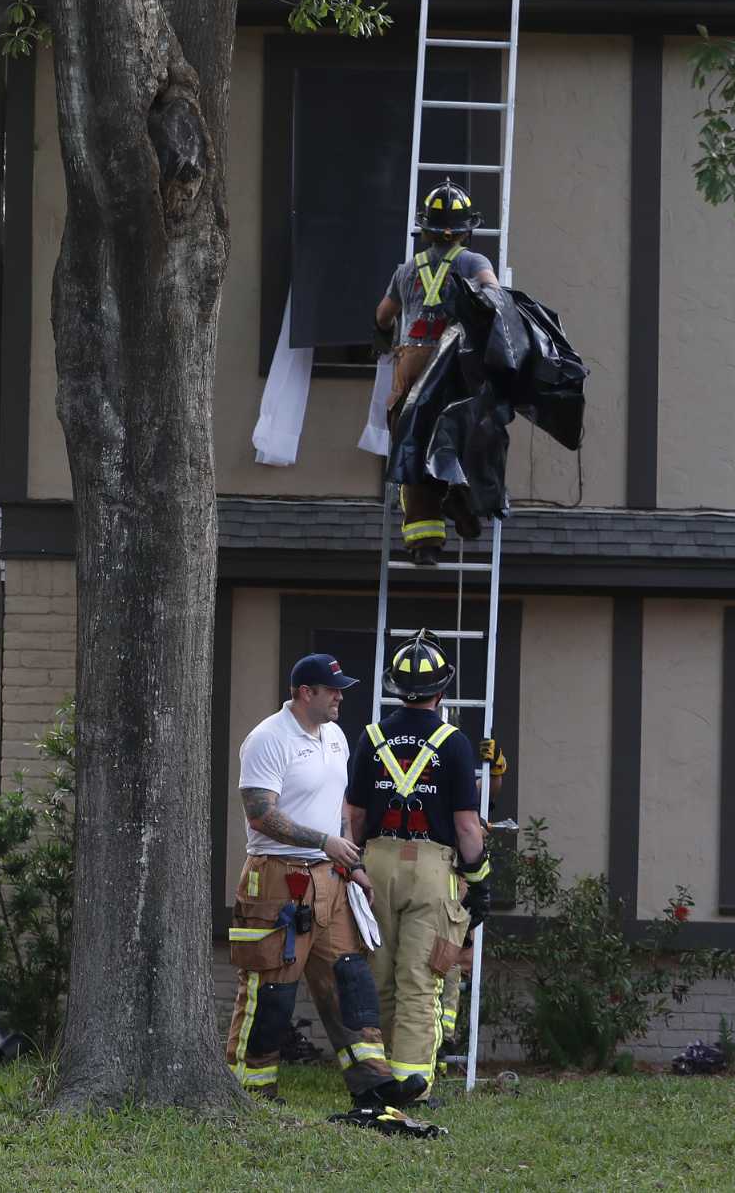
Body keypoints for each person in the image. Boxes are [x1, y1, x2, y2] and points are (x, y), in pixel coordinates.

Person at [225, 653, 427, 1110]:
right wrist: (323, 842)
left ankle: (374, 1085)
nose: (340, 697)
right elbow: (261, 814)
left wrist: (352, 864)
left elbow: (338, 809)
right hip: (278, 878)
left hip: (330, 879)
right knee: (270, 989)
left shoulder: (335, 736)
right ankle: (251, 1090)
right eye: (332, 690)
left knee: (351, 981)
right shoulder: (267, 739)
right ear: (304, 693)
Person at [345, 631, 492, 1098]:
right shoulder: (454, 743)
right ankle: (414, 1083)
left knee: (381, 976)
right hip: (431, 869)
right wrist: (480, 881)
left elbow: (355, 815)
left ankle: (386, 1075)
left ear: (394, 686)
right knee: (420, 978)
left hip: (376, 863)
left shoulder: (371, 737)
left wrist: (356, 867)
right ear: (442, 689)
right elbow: (468, 826)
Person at [373, 178, 501, 563]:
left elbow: (382, 317)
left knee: (411, 450)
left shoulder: (406, 270)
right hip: (454, 367)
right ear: (465, 231)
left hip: (411, 372)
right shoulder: (473, 262)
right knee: (467, 436)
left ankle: (424, 544)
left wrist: (382, 340)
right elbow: (493, 296)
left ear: (425, 228)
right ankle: (461, 495)